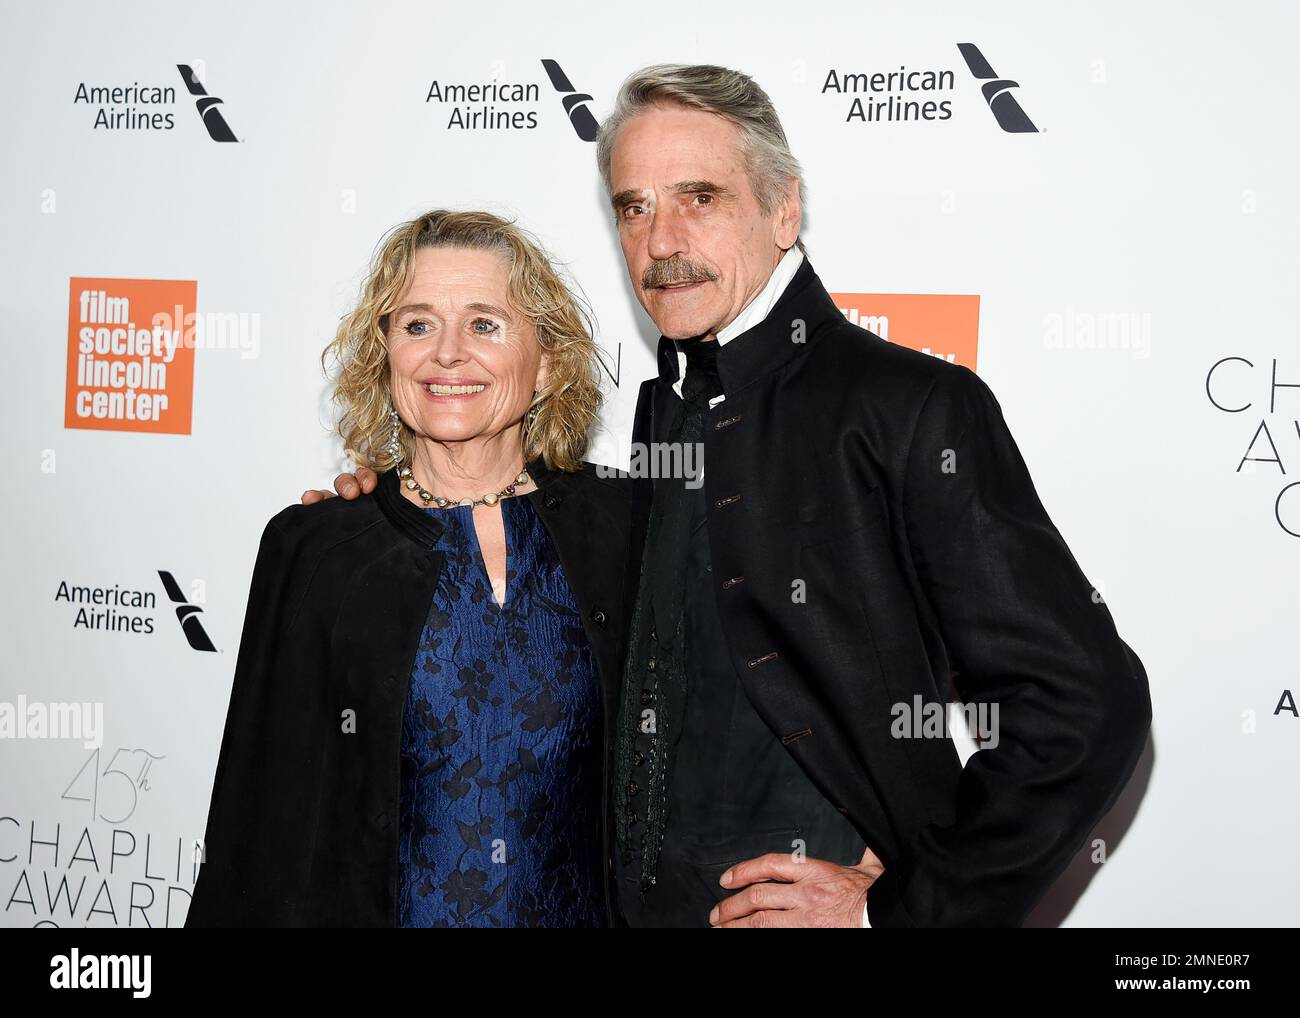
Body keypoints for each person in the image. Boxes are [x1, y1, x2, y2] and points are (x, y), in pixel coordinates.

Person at [318, 64, 1153, 929]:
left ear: (783, 210)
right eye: (633, 207)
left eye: (700, 197)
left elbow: (1087, 705)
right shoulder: (668, 407)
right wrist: (383, 515)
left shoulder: (908, 406)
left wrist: (895, 914)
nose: (661, 239)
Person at [187, 209, 629, 927]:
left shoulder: (628, 529)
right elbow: (259, 826)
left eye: (485, 324)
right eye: (418, 324)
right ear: (385, 351)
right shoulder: (316, 550)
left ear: (546, 360)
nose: (447, 354)